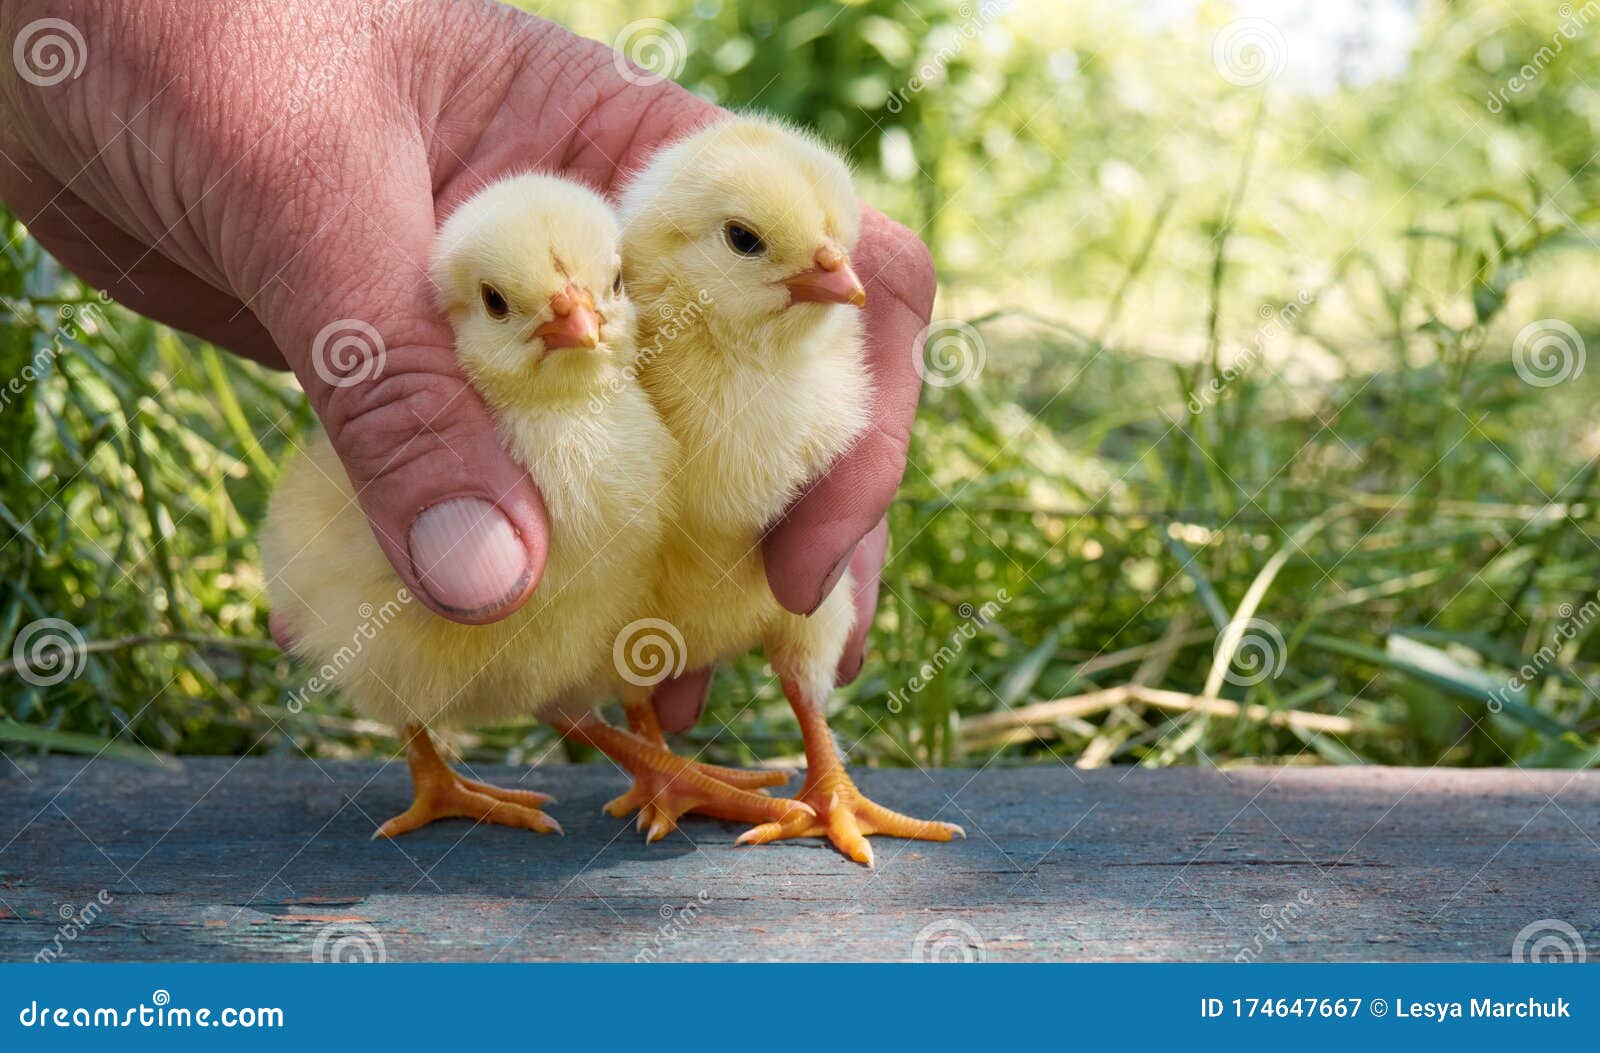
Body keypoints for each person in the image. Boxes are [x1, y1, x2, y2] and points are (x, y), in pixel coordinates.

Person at [0, 0, 935, 731]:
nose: (837, 274)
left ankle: (780, 761)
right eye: (748, 241)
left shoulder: (733, 384)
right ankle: (519, 754)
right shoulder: (603, 400)